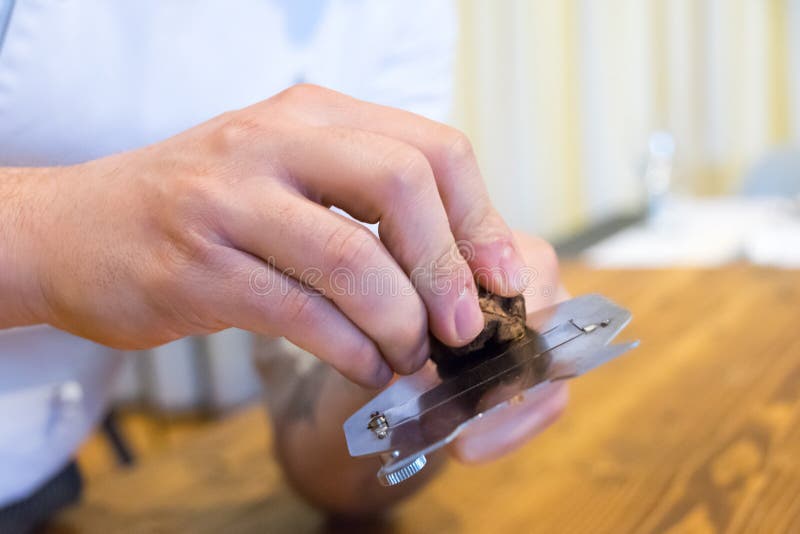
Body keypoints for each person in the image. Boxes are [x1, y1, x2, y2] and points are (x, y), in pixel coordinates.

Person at [0, 1, 567, 529]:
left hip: (48, 493)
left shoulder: (401, 14)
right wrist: (54, 231)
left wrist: (440, 377)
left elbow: (326, 460)